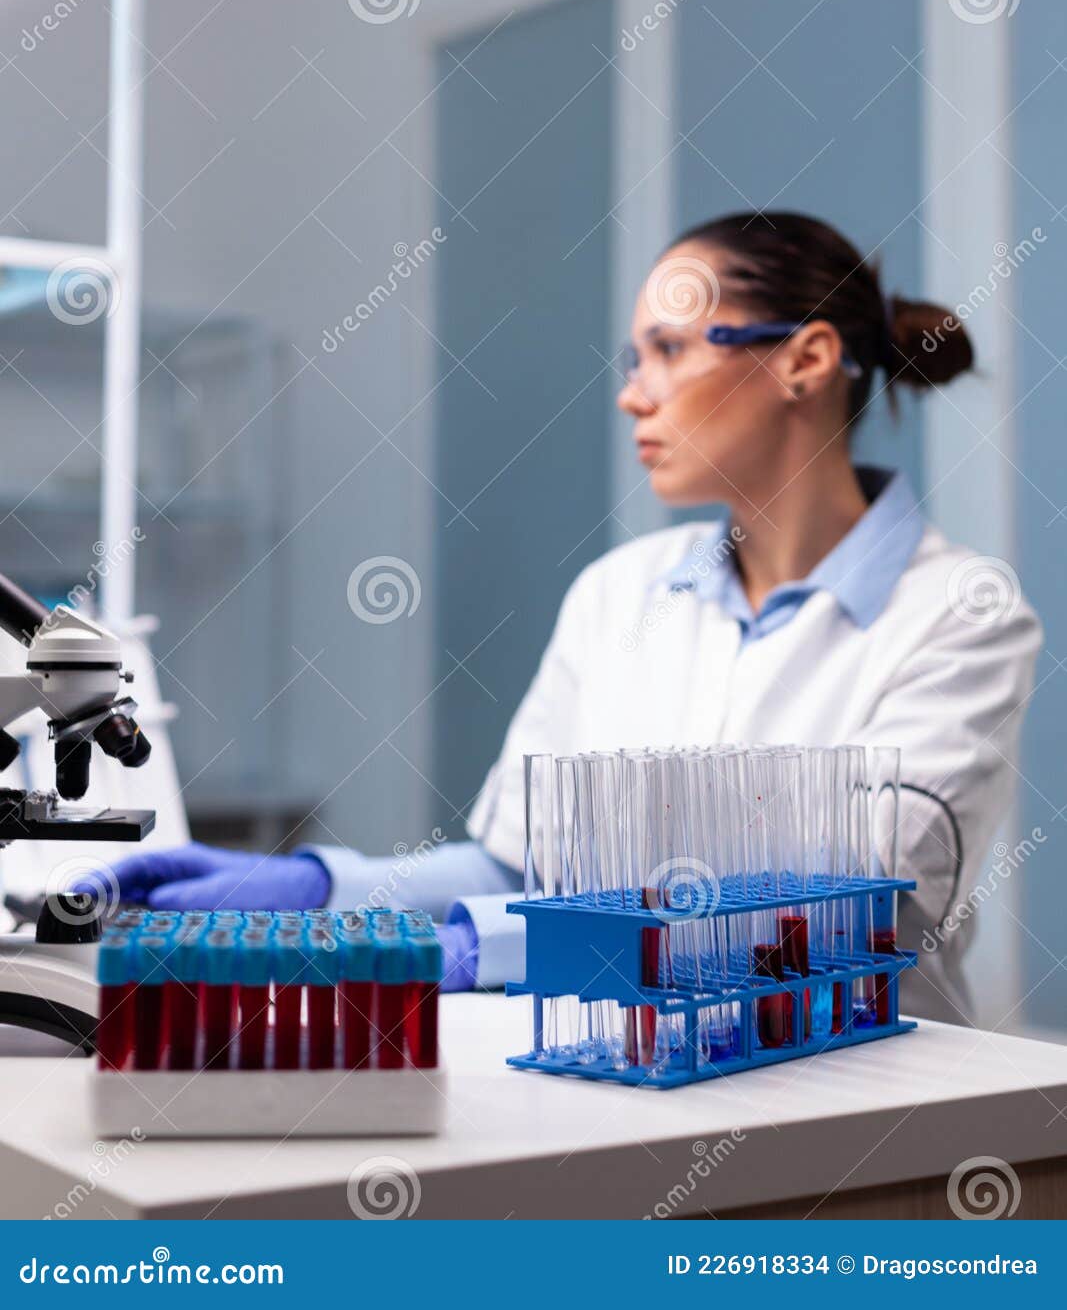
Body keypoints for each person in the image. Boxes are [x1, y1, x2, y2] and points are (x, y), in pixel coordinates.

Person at [95, 213, 1041, 1022]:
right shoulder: (620, 592)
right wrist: (319, 890)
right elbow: (522, 869)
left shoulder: (958, 613)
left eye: (670, 350)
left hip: (862, 1105)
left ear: (805, 359)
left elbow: (838, 912)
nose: (632, 393)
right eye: (635, 359)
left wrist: (490, 949)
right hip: (622, 1077)